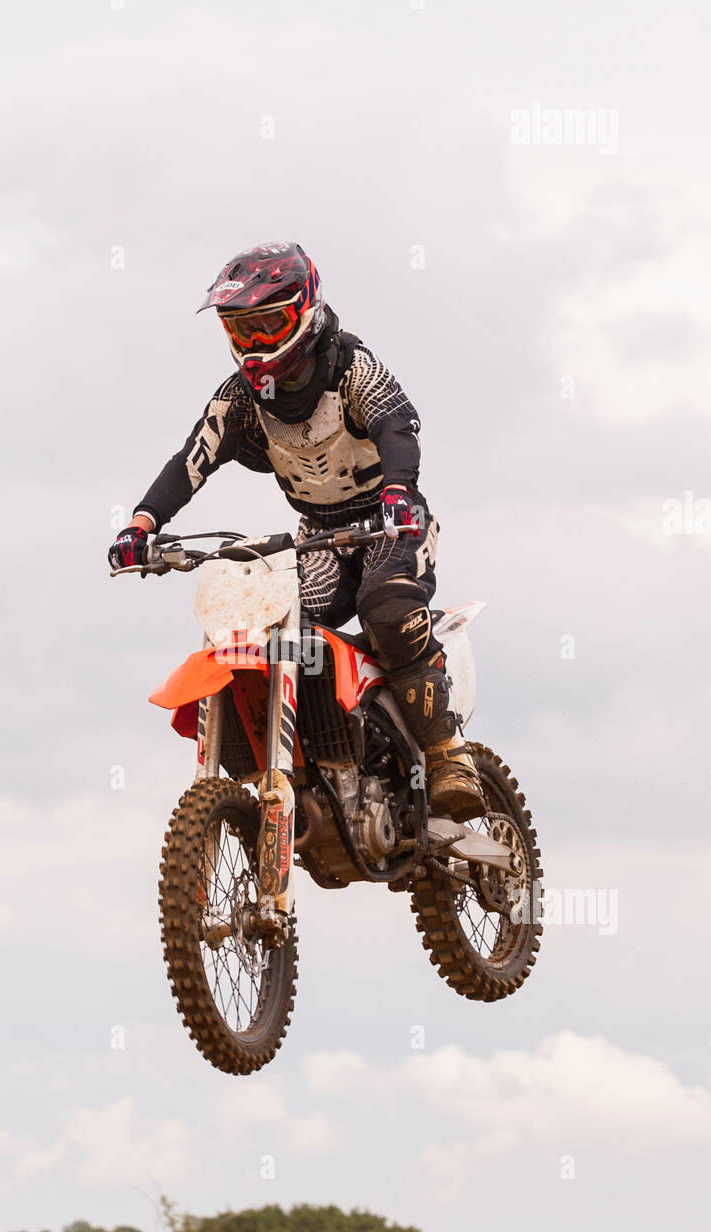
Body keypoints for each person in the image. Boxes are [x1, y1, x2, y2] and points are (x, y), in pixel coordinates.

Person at [108, 241, 485, 819]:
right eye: (243, 329)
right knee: (271, 631)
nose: (256, 342)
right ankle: (319, 760)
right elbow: (192, 458)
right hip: (318, 535)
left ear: (305, 310)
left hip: (391, 526)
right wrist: (142, 523)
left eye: (268, 324)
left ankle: (445, 753)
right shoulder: (240, 398)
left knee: (384, 609)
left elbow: (398, 427)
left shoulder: (352, 368)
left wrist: (400, 493)